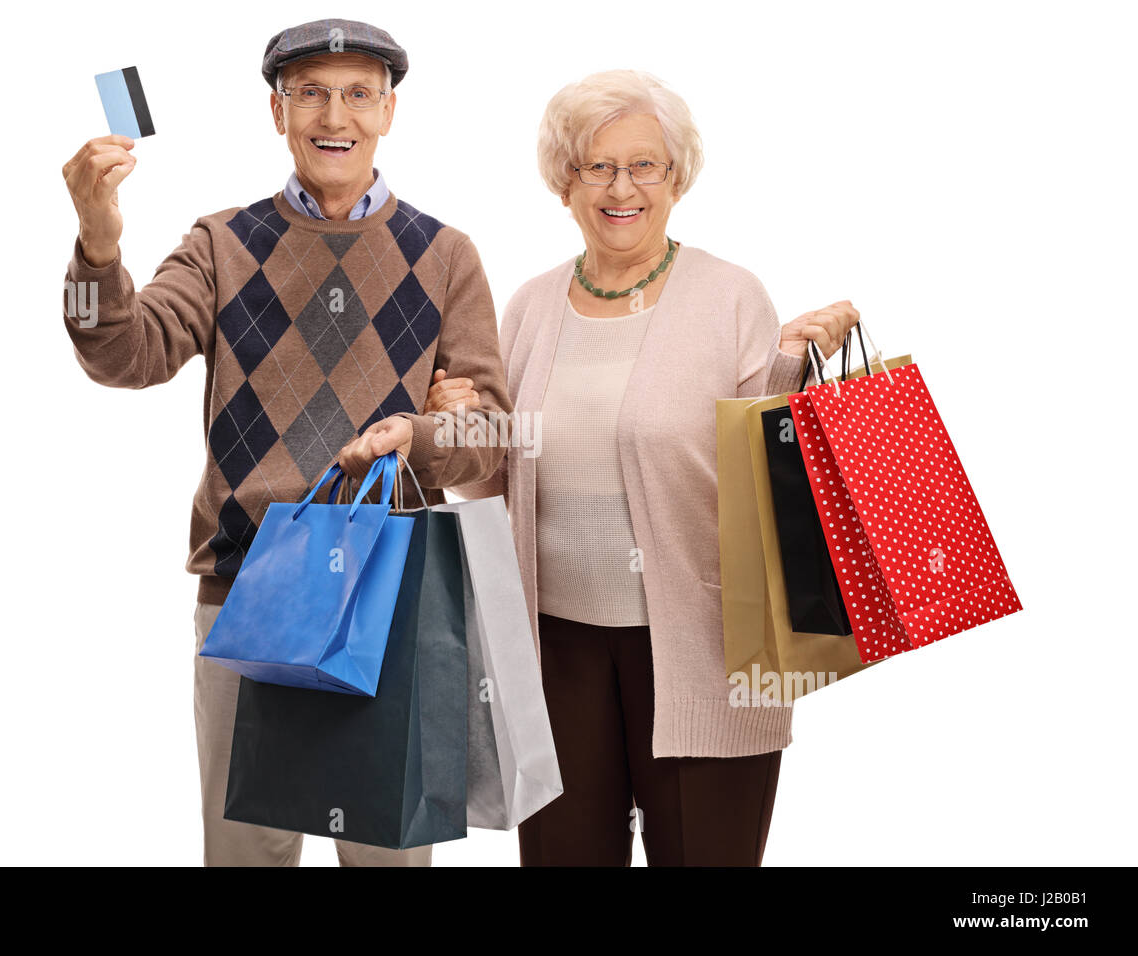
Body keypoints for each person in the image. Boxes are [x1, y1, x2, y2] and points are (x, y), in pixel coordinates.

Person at [60, 18, 510, 867]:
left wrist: (419, 434)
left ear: (387, 113)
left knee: (387, 851)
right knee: (245, 857)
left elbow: (489, 440)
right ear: (277, 111)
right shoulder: (222, 244)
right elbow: (122, 354)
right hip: (248, 591)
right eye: (309, 92)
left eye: (356, 94)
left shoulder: (447, 256)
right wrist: (98, 245)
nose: (332, 114)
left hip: (391, 594)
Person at [446, 69, 860, 866]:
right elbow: (489, 480)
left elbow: (767, 471)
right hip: (555, 648)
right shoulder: (530, 305)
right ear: (564, 183)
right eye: (596, 166)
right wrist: (460, 427)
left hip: (707, 644)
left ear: (677, 178)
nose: (621, 187)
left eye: (645, 165)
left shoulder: (730, 297)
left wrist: (794, 364)